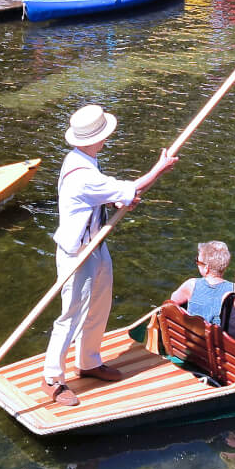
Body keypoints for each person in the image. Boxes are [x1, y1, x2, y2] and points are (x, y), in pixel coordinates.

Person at [41, 104, 177, 406]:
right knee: (71, 314)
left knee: (100, 303)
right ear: (94, 138)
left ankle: (88, 361)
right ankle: (52, 377)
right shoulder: (82, 171)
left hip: (96, 244)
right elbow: (128, 188)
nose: (106, 139)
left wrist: (113, 202)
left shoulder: (84, 158)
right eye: (104, 135)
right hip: (78, 253)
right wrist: (159, 169)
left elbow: (102, 195)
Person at [169, 240, 233, 325]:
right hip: (217, 337)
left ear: (206, 268)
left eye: (197, 261)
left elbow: (171, 303)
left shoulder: (191, 285)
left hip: (191, 335)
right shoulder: (234, 290)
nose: (196, 263)